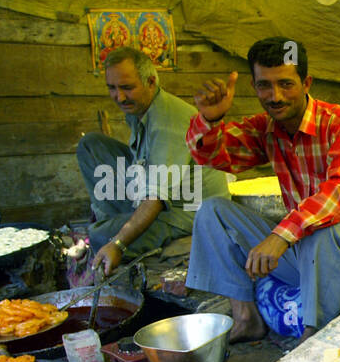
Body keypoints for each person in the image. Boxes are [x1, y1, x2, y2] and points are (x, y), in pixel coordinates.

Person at [185, 37, 340, 342]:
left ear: (306, 82)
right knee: (212, 212)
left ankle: (313, 338)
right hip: (303, 253)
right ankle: (246, 318)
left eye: (286, 84)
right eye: (264, 86)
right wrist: (210, 119)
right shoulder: (266, 129)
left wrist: (281, 235)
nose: (275, 96)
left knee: (323, 230)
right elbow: (214, 155)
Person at [76, 46, 229, 276]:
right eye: (112, 88)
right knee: (91, 145)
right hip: (162, 190)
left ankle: (121, 232)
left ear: (150, 81)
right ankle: (121, 224)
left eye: (127, 87)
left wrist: (118, 243)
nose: (119, 97)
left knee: (99, 236)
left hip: (191, 210)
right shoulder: (140, 109)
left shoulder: (166, 121)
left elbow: (157, 198)